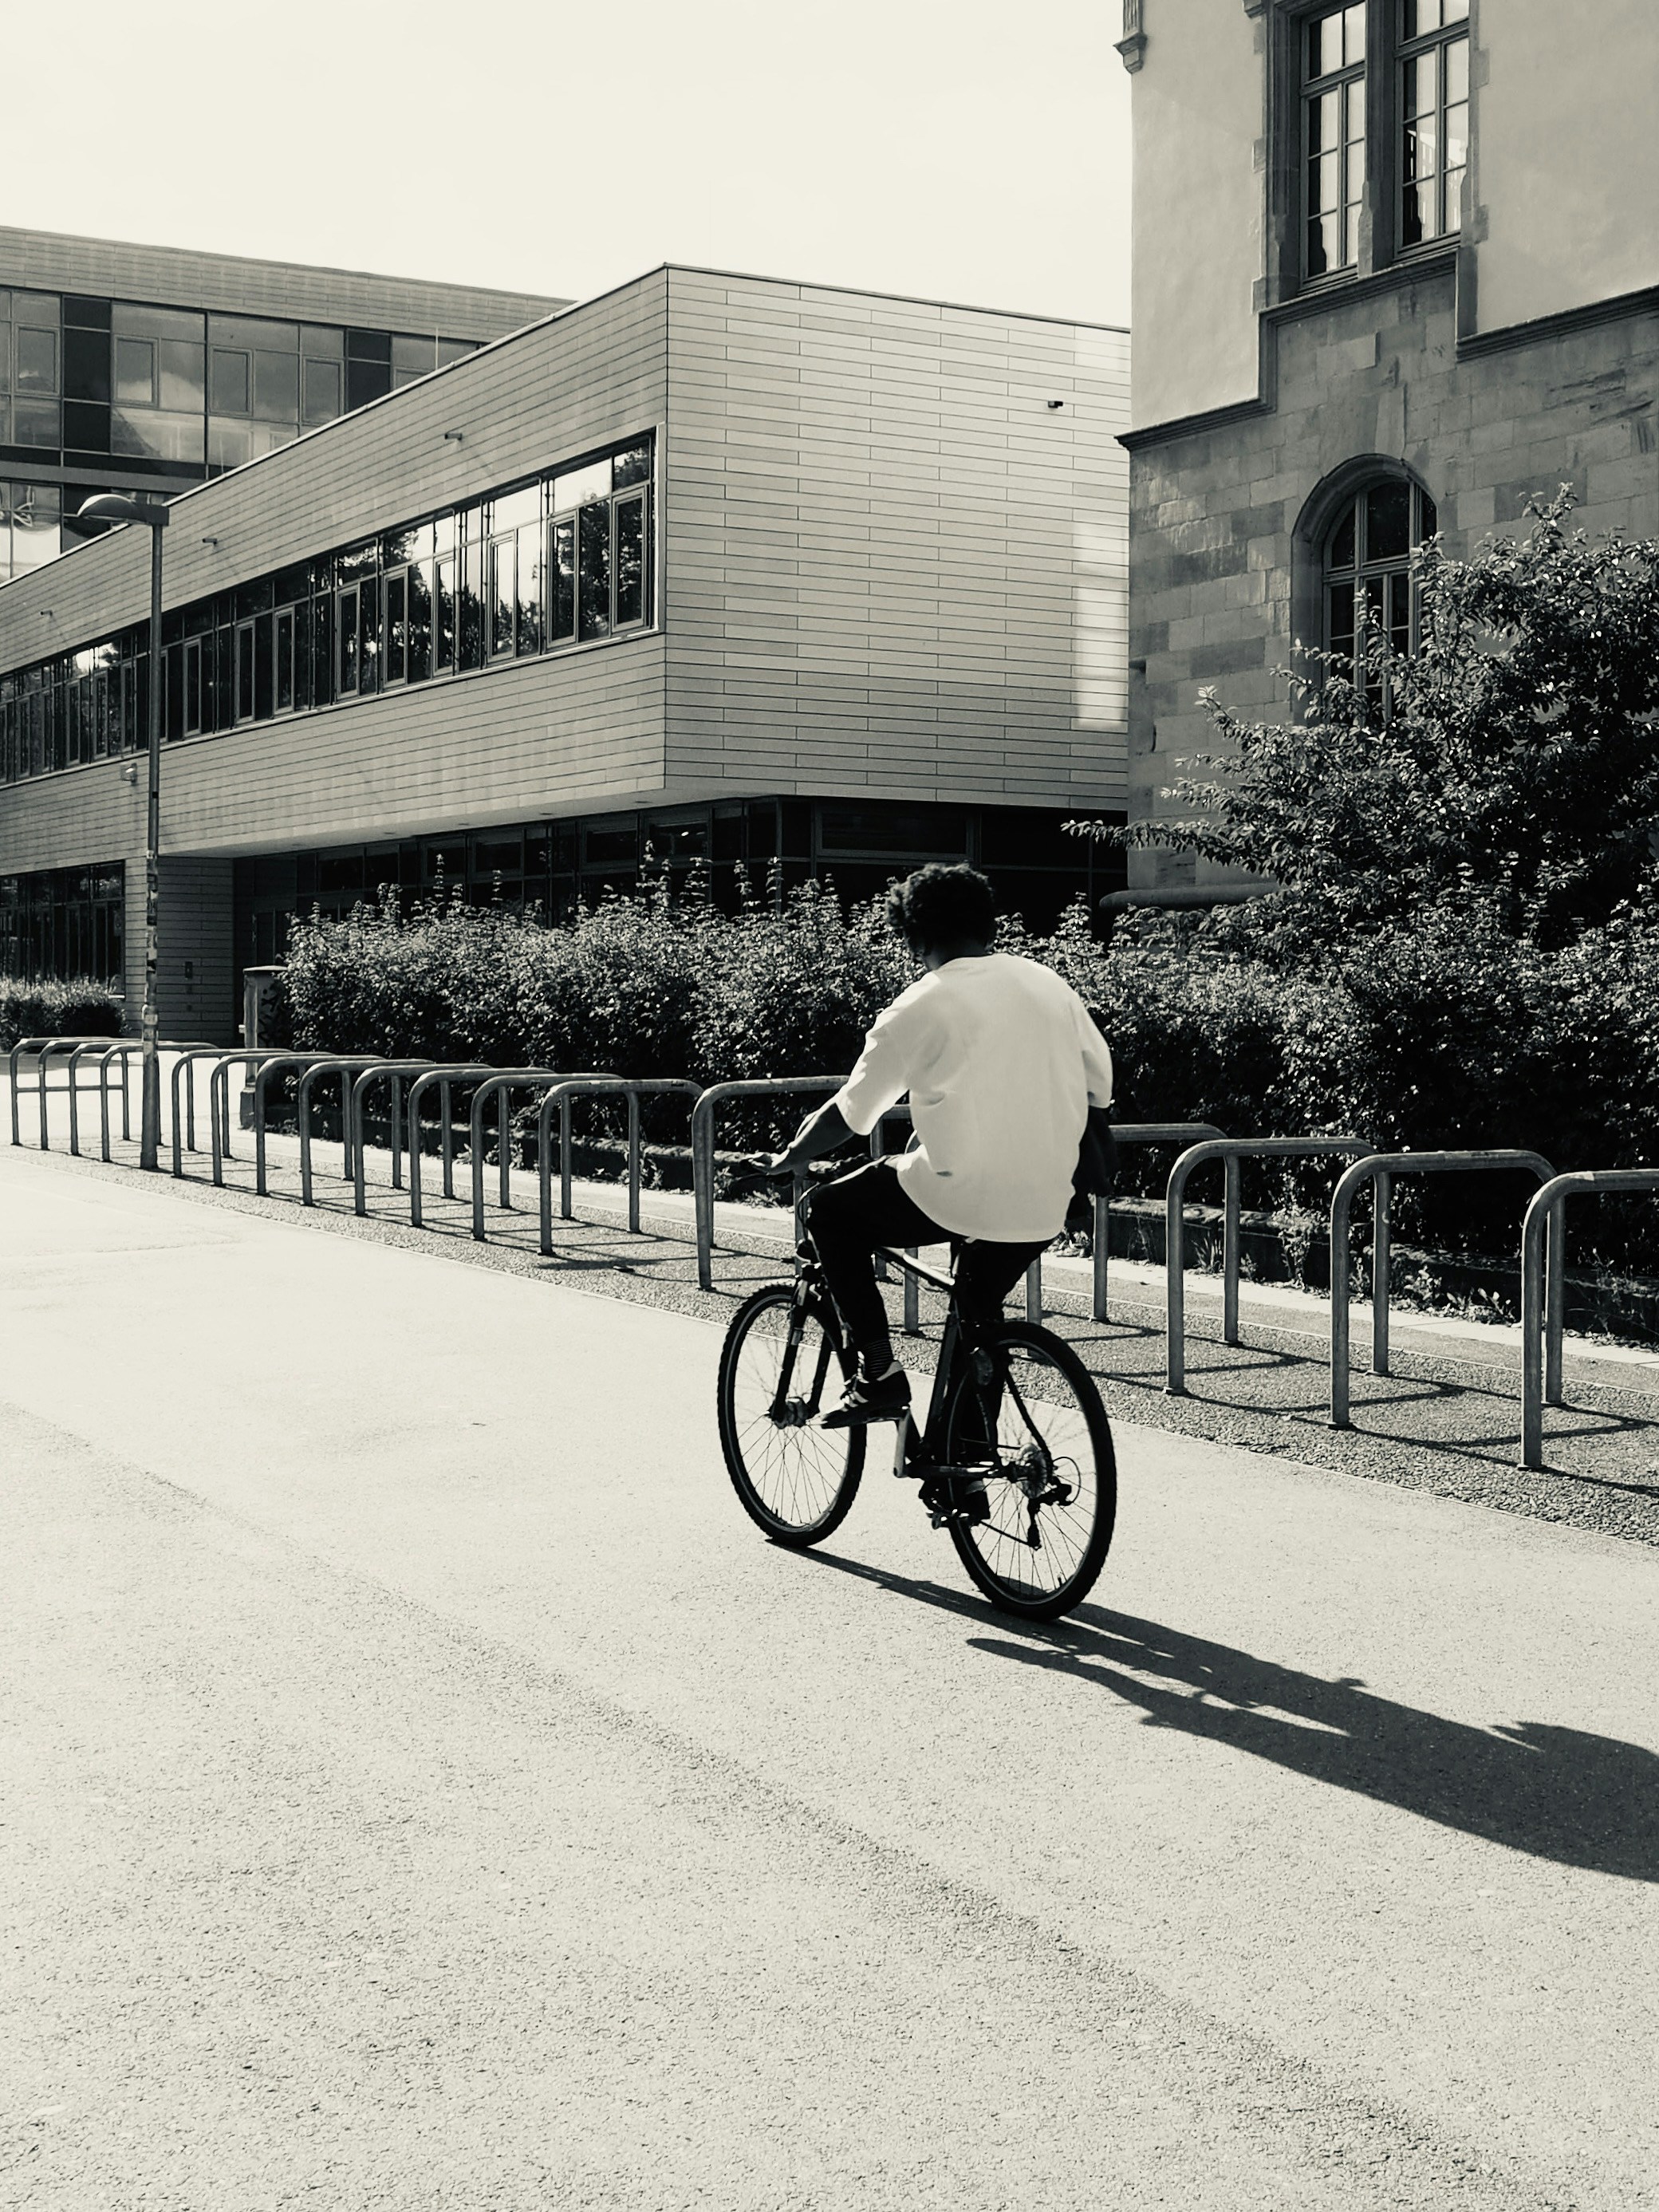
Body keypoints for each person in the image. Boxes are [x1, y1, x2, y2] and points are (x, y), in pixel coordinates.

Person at [743, 863, 1113, 1427]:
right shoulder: (1050, 987)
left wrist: (788, 1157)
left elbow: (851, 1112)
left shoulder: (920, 1005)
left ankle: (877, 1373)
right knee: (977, 1316)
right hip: (1044, 1202)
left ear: (916, 933)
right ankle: (965, 1475)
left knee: (827, 1210)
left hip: (957, 1193)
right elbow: (1097, 1088)